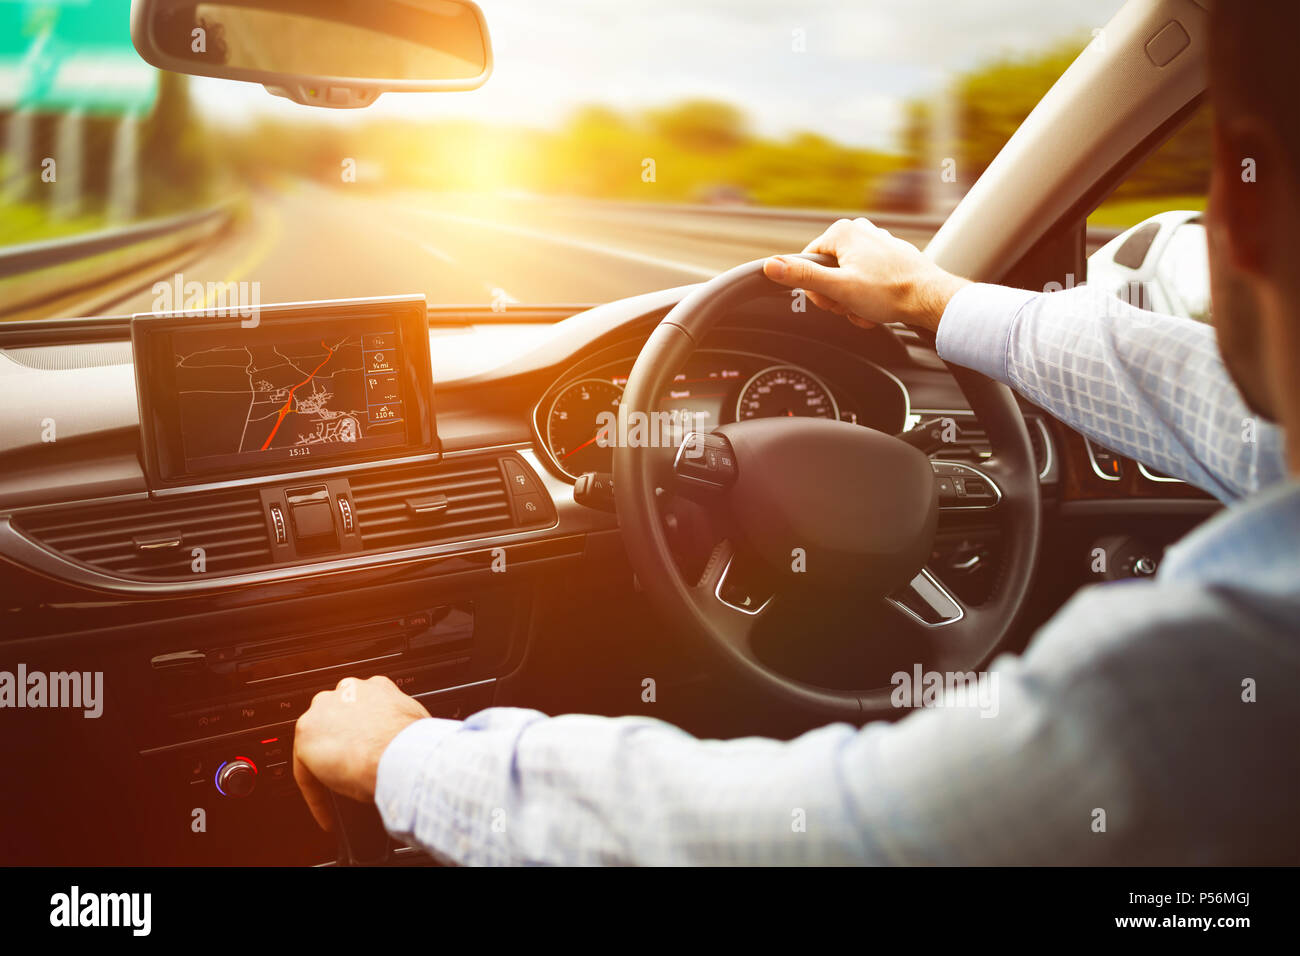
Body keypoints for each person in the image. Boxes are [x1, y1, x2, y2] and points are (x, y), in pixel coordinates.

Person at [292, 1, 1299, 864]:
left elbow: (823, 835)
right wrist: (930, 296)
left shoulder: (1192, 687)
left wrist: (409, 757)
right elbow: (1228, 418)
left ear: (1241, 210)